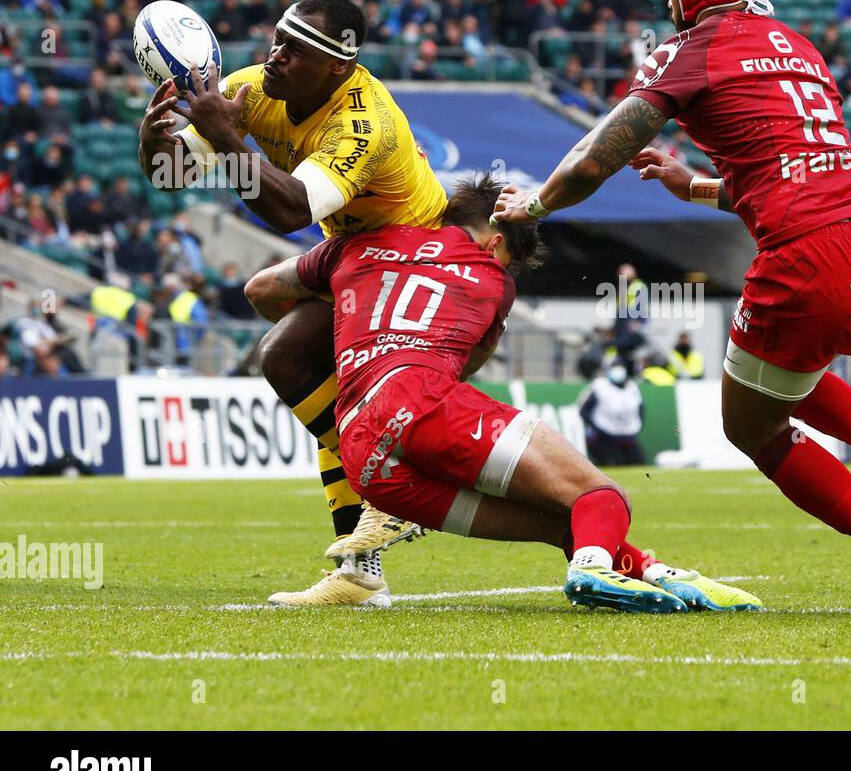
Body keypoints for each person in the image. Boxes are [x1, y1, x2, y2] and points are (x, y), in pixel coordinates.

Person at [493, 0, 851, 613]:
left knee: (750, 425)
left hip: (809, 255)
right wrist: (697, 189)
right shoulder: (795, 45)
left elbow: (598, 157)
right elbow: (791, 171)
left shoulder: (687, 51)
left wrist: (534, 201)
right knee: (783, 380)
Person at [244, 175, 759, 613]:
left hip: (363, 452)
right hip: (420, 402)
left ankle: (666, 576)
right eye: (508, 258)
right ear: (494, 242)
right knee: (601, 496)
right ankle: (589, 573)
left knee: (565, 522)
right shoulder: (492, 277)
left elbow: (261, 290)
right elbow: (466, 366)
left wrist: (354, 322)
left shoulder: (354, 247)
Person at [137, 0, 449, 605]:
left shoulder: (364, 123)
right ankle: (366, 553)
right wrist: (154, 143)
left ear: (337, 67)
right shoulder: (257, 88)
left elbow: (288, 212)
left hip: (417, 252)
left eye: (296, 49)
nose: (276, 57)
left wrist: (229, 139)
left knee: (286, 358)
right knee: (268, 305)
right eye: (279, 40)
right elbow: (171, 173)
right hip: (355, 250)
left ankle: (380, 504)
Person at [579, 361, 646, 465]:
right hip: (604, 437)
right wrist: (597, 429)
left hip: (627, 436)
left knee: (639, 463)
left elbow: (640, 409)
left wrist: (638, 426)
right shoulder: (599, 386)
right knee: (614, 463)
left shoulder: (632, 388)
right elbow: (584, 410)